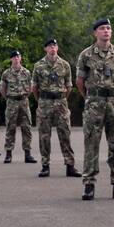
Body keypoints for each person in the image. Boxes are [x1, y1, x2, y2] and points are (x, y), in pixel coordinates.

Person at [75, 19, 114, 201]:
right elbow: (79, 82)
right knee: (91, 144)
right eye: (102, 28)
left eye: (108, 28)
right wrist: (92, 97)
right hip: (94, 103)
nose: (106, 31)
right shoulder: (86, 55)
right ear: (95, 33)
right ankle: (89, 185)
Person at [31, 38, 79, 178]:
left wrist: (62, 98)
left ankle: (70, 166)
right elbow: (34, 87)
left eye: (55, 46)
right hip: (45, 102)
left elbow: (69, 86)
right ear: (45, 49)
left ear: (57, 48)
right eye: (50, 46)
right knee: (44, 135)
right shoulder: (38, 66)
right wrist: (40, 100)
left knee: (65, 134)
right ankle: (45, 166)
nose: (53, 48)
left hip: (61, 102)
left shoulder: (64, 64)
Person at [0, 49, 36, 165]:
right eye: (14, 57)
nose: (16, 59)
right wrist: (10, 98)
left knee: (27, 127)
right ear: (11, 59)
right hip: (12, 102)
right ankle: (8, 154)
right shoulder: (6, 73)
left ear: (20, 58)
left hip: (24, 101)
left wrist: (24, 96)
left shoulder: (26, 72)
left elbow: (31, 87)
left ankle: (27, 154)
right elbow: (3, 89)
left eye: (18, 56)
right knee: (10, 127)